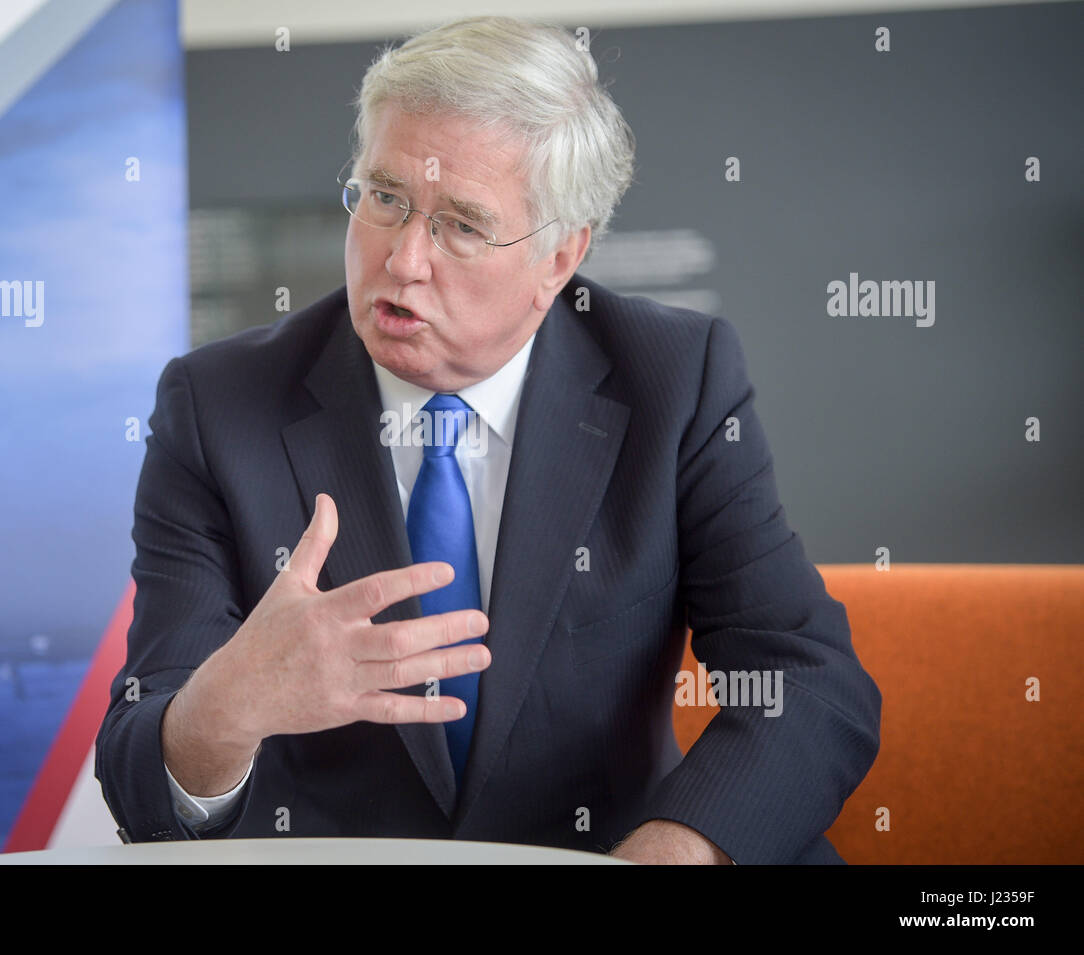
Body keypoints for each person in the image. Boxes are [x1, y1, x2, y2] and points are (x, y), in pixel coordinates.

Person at [95, 16, 881, 863]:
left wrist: (683, 844)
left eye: (462, 225)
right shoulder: (218, 405)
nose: (403, 260)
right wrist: (227, 706)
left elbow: (808, 681)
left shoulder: (675, 381)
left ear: (559, 257)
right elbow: (141, 773)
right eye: (385, 197)